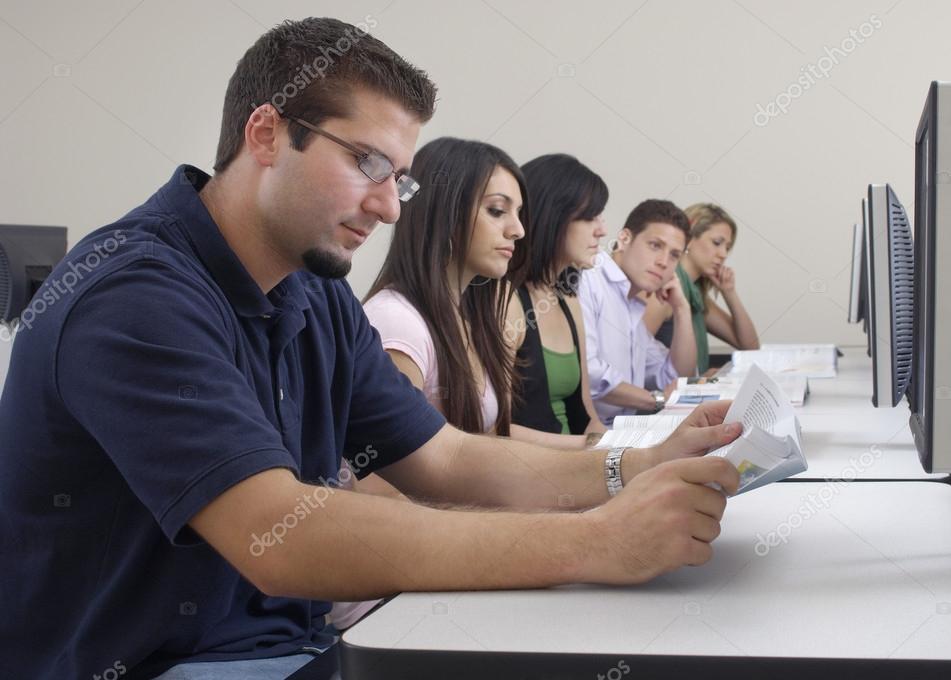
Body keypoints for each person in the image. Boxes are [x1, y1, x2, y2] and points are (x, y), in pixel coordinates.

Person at [0, 18, 739, 680]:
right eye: (368, 164)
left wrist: (631, 468)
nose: (389, 206)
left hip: (293, 647)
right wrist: (595, 544)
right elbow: (278, 536)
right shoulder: (134, 296)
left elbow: (445, 457)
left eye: (401, 179)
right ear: (265, 134)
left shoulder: (311, 288)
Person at [362, 136, 526, 438]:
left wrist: (598, 448)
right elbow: (382, 479)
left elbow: (490, 442)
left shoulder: (472, 316)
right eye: (497, 211)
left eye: (518, 213)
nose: (518, 230)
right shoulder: (397, 323)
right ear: (446, 214)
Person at [505, 154, 608, 441]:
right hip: (534, 472)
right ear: (552, 216)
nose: (602, 230)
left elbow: (587, 414)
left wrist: (621, 450)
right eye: (589, 217)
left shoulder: (568, 300)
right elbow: (495, 431)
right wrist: (591, 449)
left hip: (579, 462)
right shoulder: (506, 302)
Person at [578, 199, 698, 426]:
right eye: (655, 245)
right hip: (585, 438)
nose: (663, 262)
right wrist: (656, 400)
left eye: (674, 255)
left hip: (622, 433)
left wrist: (682, 309)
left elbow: (674, 378)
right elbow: (590, 374)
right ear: (624, 239)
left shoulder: (630, 302)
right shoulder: (589, 277)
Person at [643, 203, 759, 375]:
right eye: (717, 243)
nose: (723, 254)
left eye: (727, 247)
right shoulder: (667, 285)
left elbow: (750, 346)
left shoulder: (695, 294)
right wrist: (695, 381)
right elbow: (632, 355)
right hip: (663, 398)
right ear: (689, 238)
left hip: (690, 395)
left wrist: (729, 292)